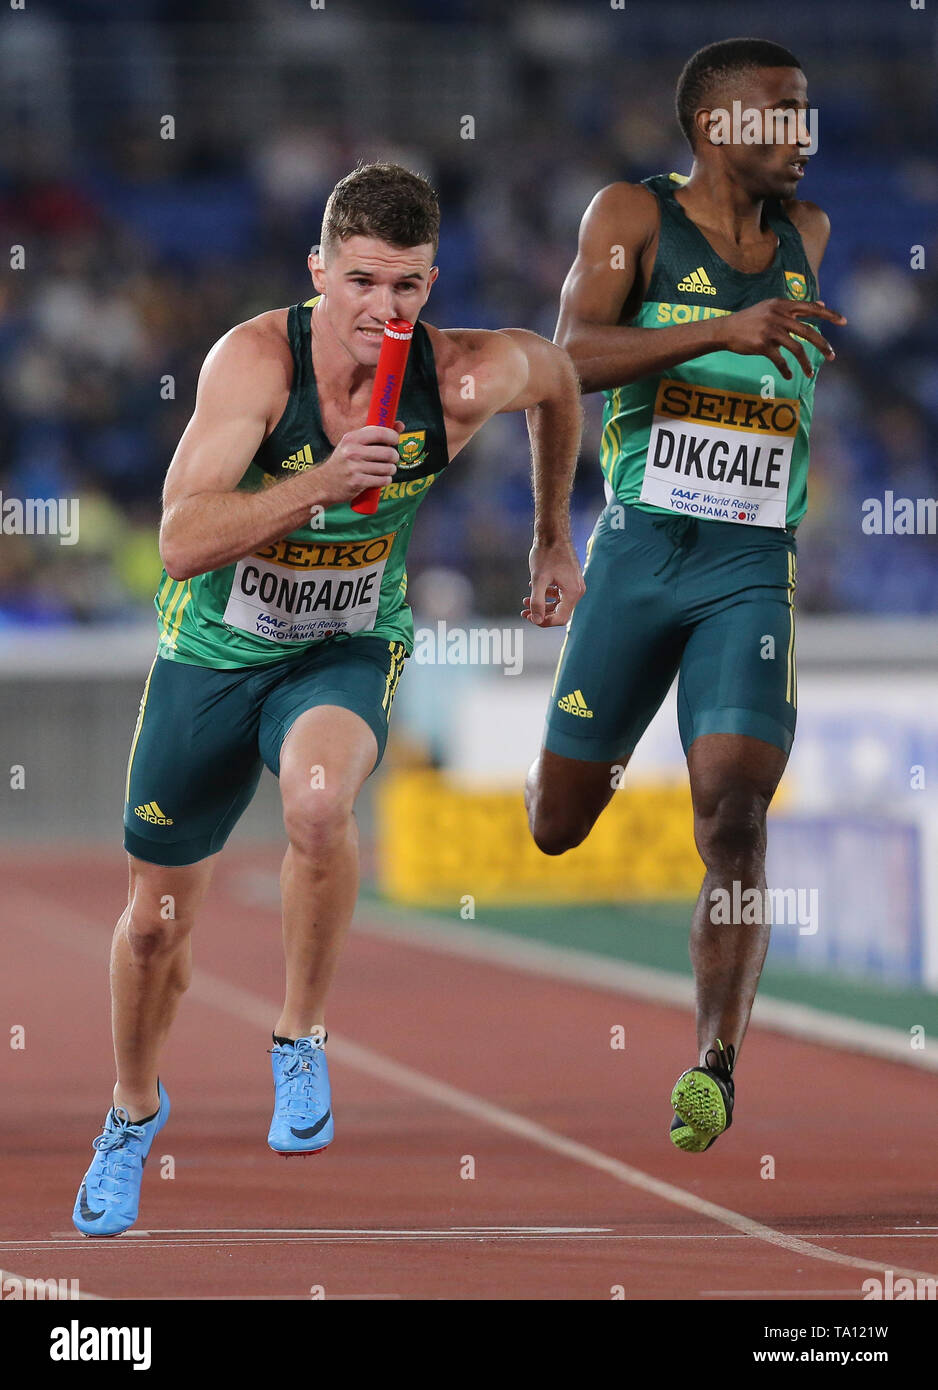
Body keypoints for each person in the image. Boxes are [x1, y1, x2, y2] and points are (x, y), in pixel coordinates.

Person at [73, 162, 584, 1236]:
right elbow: (175, 541)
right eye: (359, 281)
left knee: (316, 806)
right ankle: (130, 1111)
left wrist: (550, 534)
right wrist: (315, 482)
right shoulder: (255, 364)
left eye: (404, 286)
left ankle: (298, 1036)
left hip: (345, 645)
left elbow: (558, 378)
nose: (381, 309)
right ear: (318, 272)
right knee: (159, 925)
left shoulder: (456, 382)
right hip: (214, 651)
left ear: (431, 283)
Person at [523, 39, 845, 1152]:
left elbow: (782, 373)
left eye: (805, 115)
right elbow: (567, 356)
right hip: (638, 556)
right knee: (556, 827)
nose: (800, 136)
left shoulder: (805, 239)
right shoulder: (630, 216)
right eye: (777, 117)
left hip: (748, 566)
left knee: (736, 817)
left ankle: (712, 1059)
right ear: (715, 129)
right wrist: (718, 329)